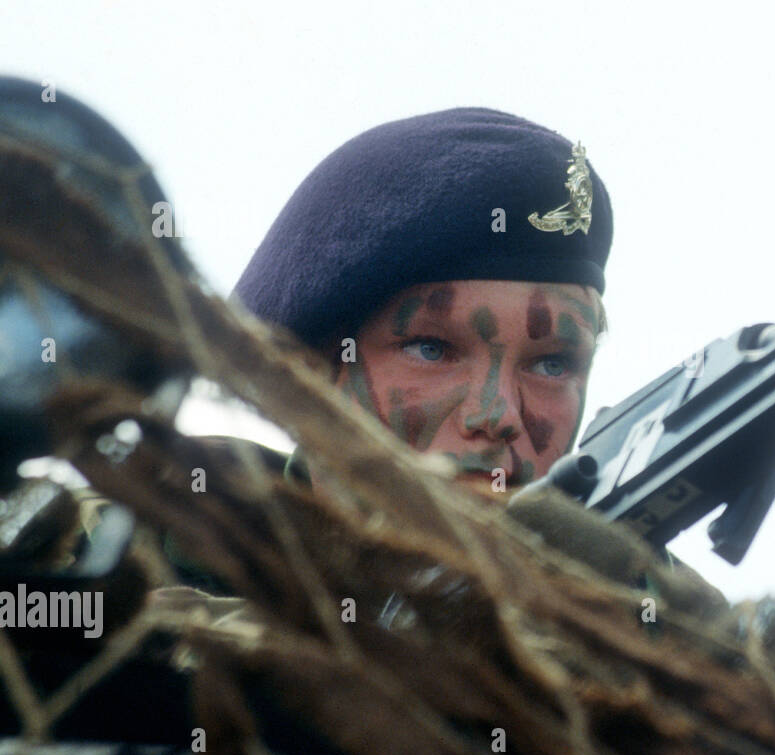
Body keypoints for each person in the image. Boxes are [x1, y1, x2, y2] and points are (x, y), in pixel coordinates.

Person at [232, 107, 612, 491]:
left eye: (552, 365)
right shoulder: (189, 521)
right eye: (431, 349)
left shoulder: (621, 550)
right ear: (307, 376)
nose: (498, 416)